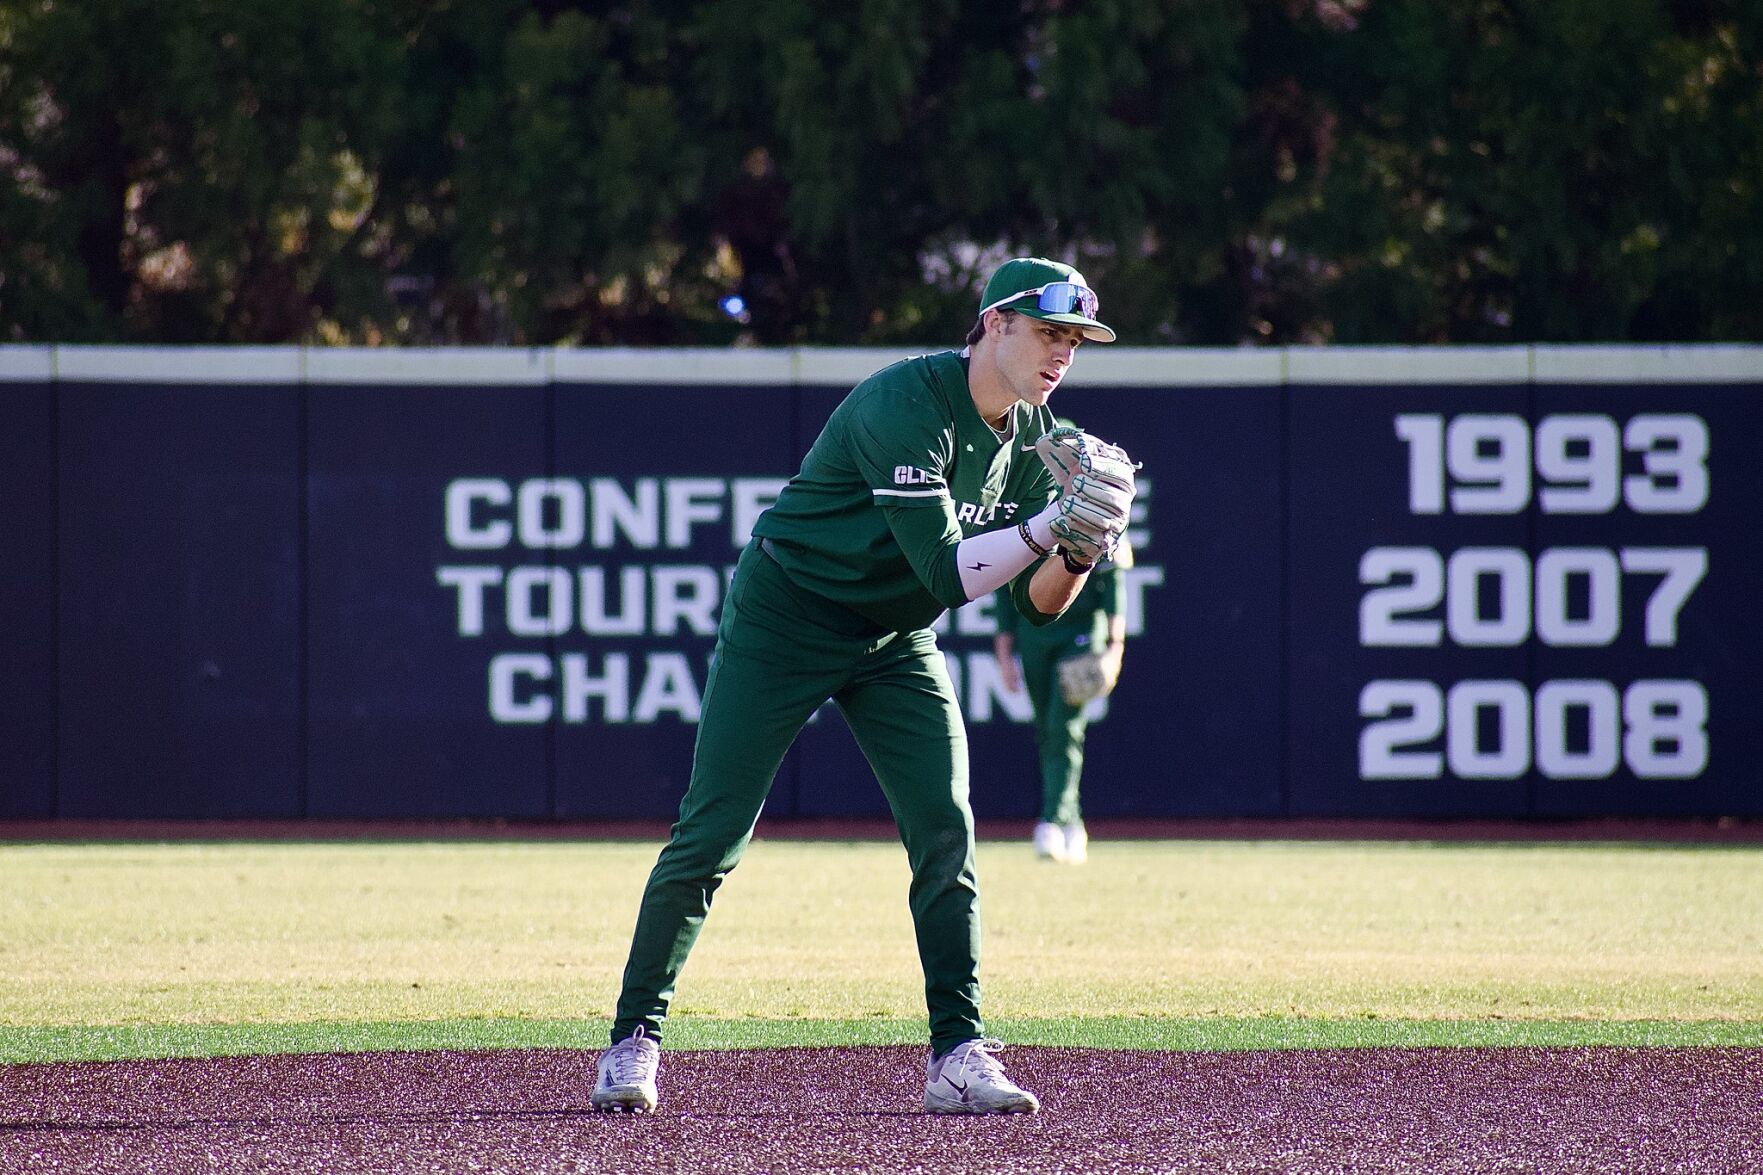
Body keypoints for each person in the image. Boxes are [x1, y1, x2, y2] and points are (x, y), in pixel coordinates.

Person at [590, 257, 1138, 1117]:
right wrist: (1045, 524)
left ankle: (957, 1051)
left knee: (943, 827)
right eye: (1047, 331)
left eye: (1074, 339)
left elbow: (1038, 608)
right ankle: (632, 1039)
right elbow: (945, 569)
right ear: (994, 323)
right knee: (711, 835)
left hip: (892, 637)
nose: (1062, 352)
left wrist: (1078, 548)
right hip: (786, 617)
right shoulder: (905, 403)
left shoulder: (1037, 435)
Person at [993, 514, 1131, 865]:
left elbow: (1114, 581)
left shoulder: (1096, 508)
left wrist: (1115, 645)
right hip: (1034, 632)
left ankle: (1052, 822)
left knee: (1064, 727)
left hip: (1081, 634)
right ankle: (1072, 821)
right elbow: (1007, 580)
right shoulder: (1029, 505)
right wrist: (1004, 651)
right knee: (1047, 729)